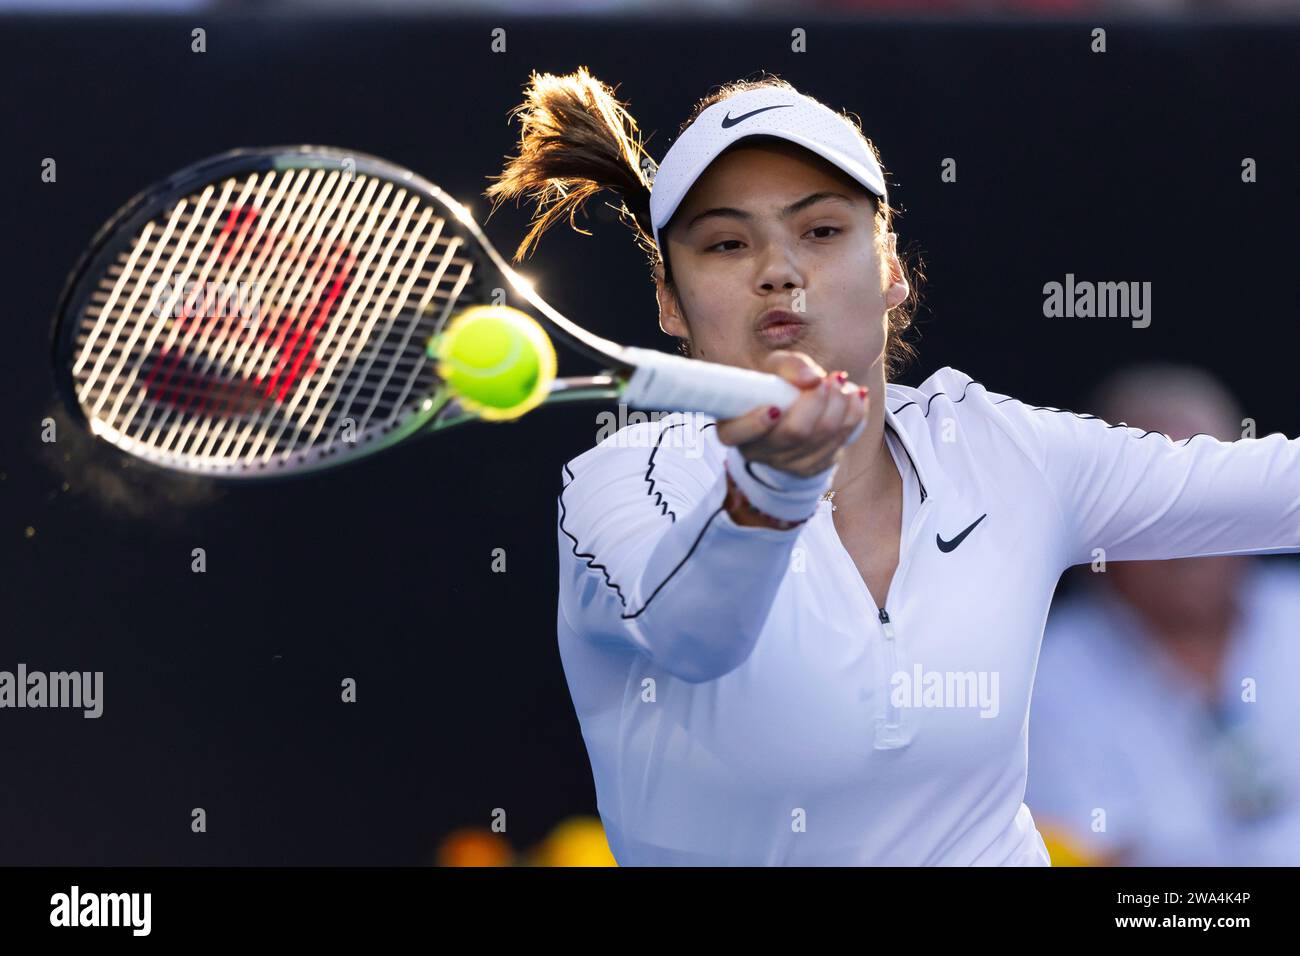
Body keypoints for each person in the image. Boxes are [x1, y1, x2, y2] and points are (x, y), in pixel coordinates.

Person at [485, 67, 1300, 865]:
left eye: (821, 231)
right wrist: (772, 484)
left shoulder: (1005, 452)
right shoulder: (618, 487)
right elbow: (694, 636)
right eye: (727, 242)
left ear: (891, 272)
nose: (779, 270)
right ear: (669, 298)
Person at [1026, 364, 1300, 866]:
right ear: (1099, 519)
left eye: (1211, 495)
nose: (1189, 537)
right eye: (1160, 506)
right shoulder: (1040, 678)